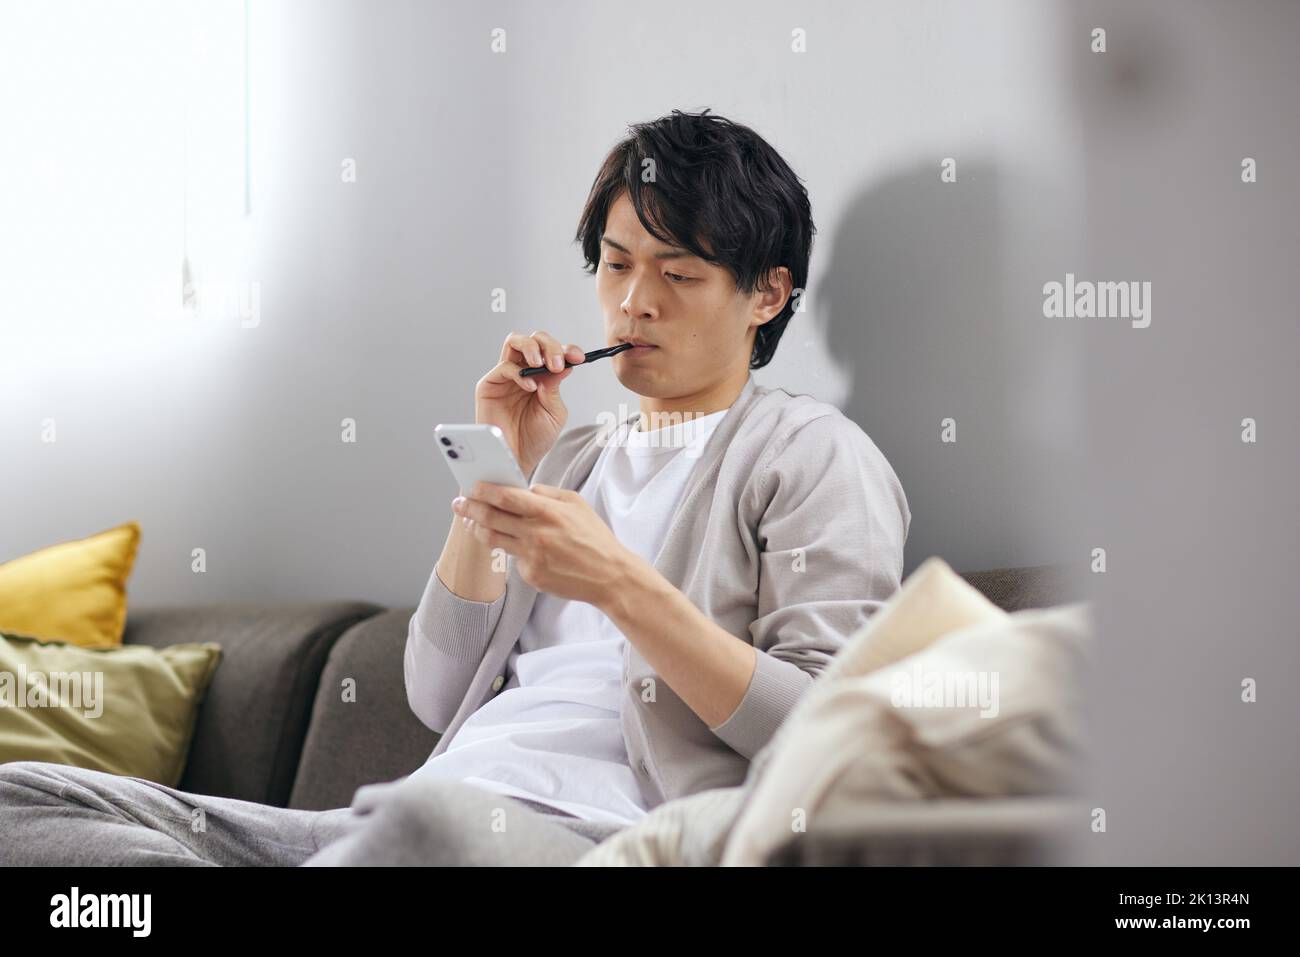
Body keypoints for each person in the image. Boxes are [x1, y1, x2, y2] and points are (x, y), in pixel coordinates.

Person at [0, 108, 909, 866]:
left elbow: (827, 734)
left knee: (421, 829)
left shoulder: (814, 455)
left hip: (588, 836)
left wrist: (619, 582)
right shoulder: (579, 457)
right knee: (24, 795)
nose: (635, 301)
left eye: (678, 274)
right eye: (617, 262)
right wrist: (497, 479)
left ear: (767, 294)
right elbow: (437, 697)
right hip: (409, 817)